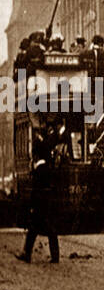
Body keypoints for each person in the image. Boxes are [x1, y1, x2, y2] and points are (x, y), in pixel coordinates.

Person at [14, 113, 60, 264]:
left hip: (40, 204)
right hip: (49, 203)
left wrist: (32, 205)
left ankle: (26, 254)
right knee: (51, 229)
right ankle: (55, 256)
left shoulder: (39, 170)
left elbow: (36, 190)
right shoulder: (48, 168)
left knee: (33, 228)